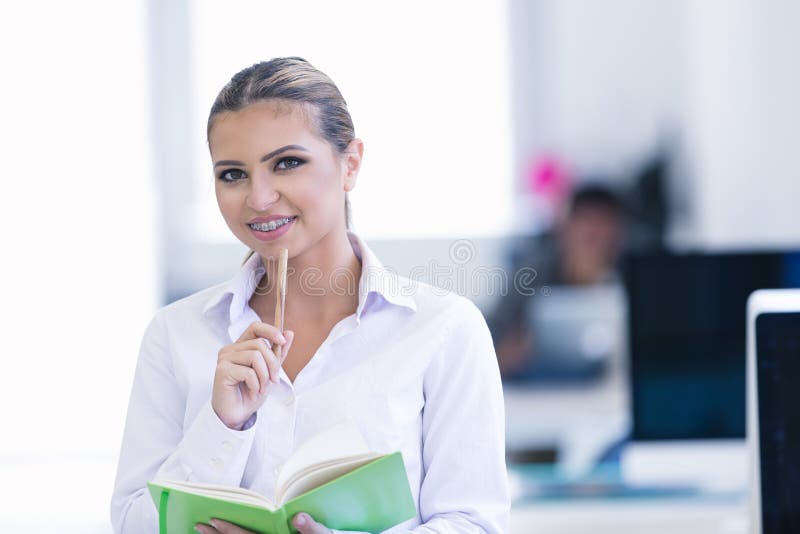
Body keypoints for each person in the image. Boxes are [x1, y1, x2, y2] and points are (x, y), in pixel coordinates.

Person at [110, 57, 509, 534]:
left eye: (287, 163)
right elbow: (131, 523)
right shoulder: (175, 334)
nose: (258, 198)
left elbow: (474, 524)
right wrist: (220, 425)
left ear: (350, 164)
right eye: (232, 174)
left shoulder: (443, 329)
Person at [488, 184, 625, 379]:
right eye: (585, 220)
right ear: (565, 228)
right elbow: (493, 339)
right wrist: (509, 353)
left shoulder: (629, 274)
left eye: (603, 222)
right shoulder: (532, 273)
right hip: (540, 388)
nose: (593, 233)